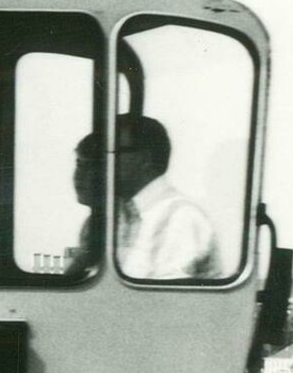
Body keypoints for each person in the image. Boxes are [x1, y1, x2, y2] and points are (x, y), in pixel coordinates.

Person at [70, 115, 222, 280]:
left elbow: (158, 299)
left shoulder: (179, 216)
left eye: (112, 151)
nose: (103, 162)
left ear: (144, 159)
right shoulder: (107, 217)